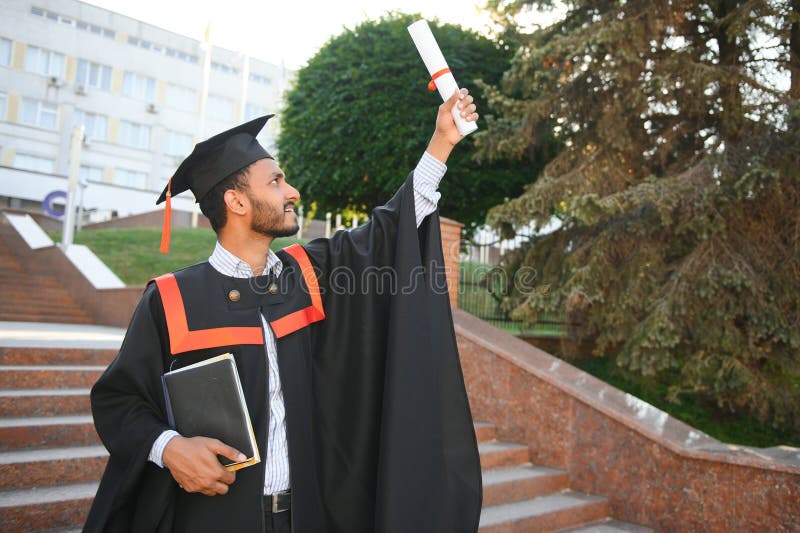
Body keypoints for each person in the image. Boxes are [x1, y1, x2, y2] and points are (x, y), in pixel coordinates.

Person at [85, 89, 481, 533]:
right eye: (275, 182)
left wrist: (441, 142)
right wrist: (169, 447)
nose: (291, 191)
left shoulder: (308, 274)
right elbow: (119, 401)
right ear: (236, 202)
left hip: (307, 514)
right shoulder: (174, 298)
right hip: (212, 518)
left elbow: (388, 231)